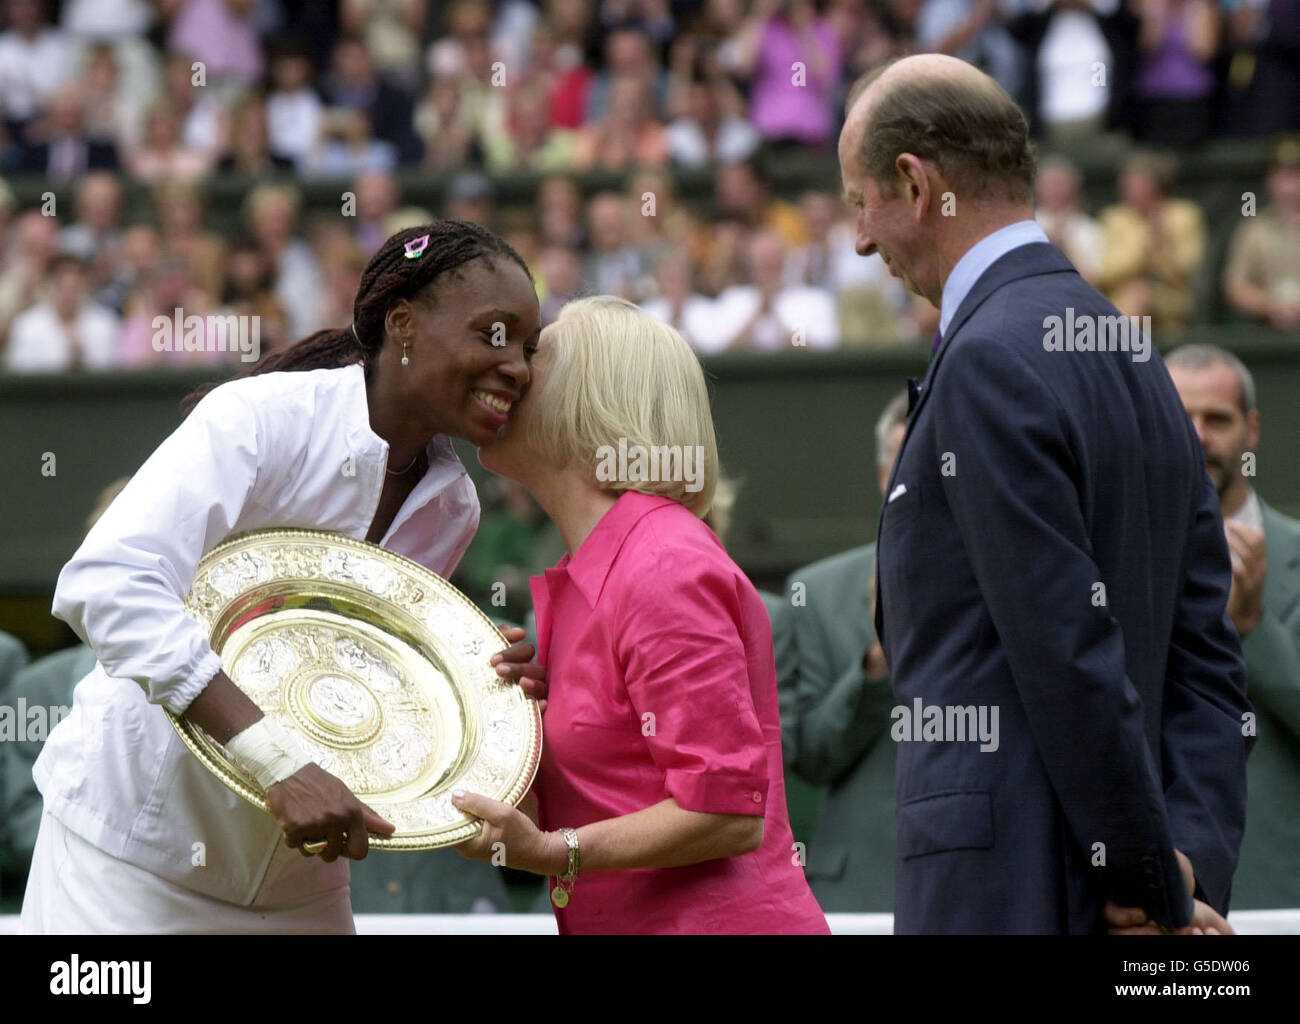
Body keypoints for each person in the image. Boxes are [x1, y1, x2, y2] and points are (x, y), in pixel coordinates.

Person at [19, 220, 548, 934]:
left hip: (299, 880)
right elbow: (107, 582)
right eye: (494, 334)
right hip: (128, 856)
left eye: (529, 347)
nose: (516, 364)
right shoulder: (259, 420)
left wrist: (472, 682)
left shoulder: (454, 506)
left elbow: (347, 672)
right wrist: (273, 760)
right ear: (404, 326)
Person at [838, 54, 1249, 934]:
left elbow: (1068, 649)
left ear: (915, 184)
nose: (860, 241)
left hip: (1016, 896)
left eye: (857, 203)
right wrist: (1188, 871)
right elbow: (1206, 665)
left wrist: (1151, 885)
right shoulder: (1139, 358)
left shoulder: (987, 360)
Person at [453, 296, 830, 934]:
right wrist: (503, 732)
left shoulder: (661, 563)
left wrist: (555, 851)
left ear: (590, 397)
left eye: (534, 354)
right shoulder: (602, 571)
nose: (509, 370)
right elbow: (604, 801)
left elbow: (726, 811)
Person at [1167, 344, 1300, 911]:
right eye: (1180, 418)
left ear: (1251, 429)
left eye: (1216, 420)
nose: (1198, 437)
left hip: (1280, 894)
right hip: (1159, 899)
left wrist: (1253, 628)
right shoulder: (1111, 561)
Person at [781, 391, 907, 912]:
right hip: (860, 890)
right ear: (883, 475)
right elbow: (810, 756)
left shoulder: (1012, 582)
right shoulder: (817, 591)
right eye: (910, 463)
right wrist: (878, 656)